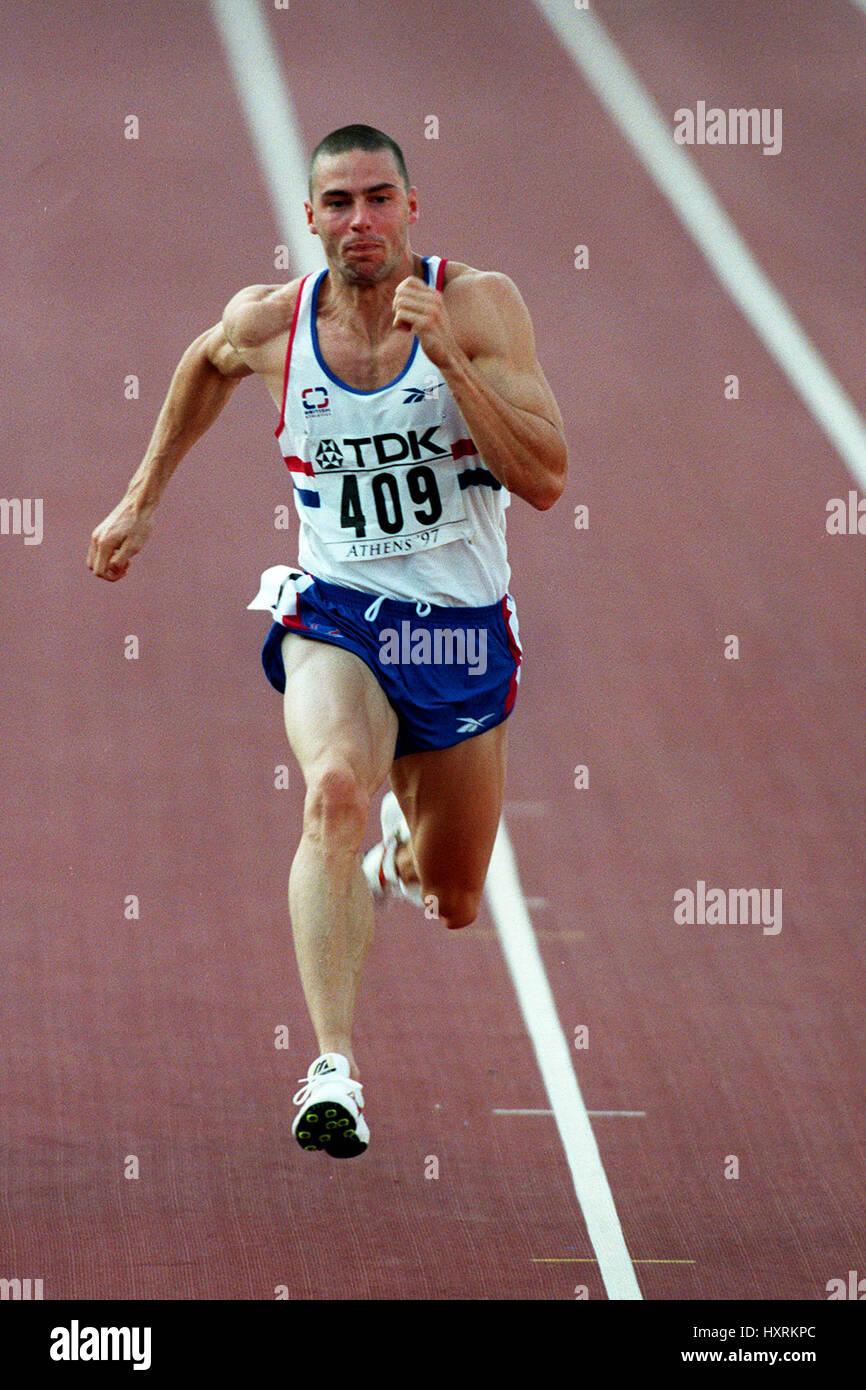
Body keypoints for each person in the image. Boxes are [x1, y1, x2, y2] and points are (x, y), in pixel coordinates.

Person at [87, 124, 568, 1159]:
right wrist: (141, 498)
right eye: (339, 203)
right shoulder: (271, 322)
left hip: (458, 635)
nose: (360, 221)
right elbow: (207, 362)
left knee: (456, 896)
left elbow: (542, 478)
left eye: (379, 198)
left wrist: (450, 364)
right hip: (339, 613)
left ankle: (397, 862)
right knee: (335, 789)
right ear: (308, 218)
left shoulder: (479, 307)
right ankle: (333, 1070)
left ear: (411, 207)